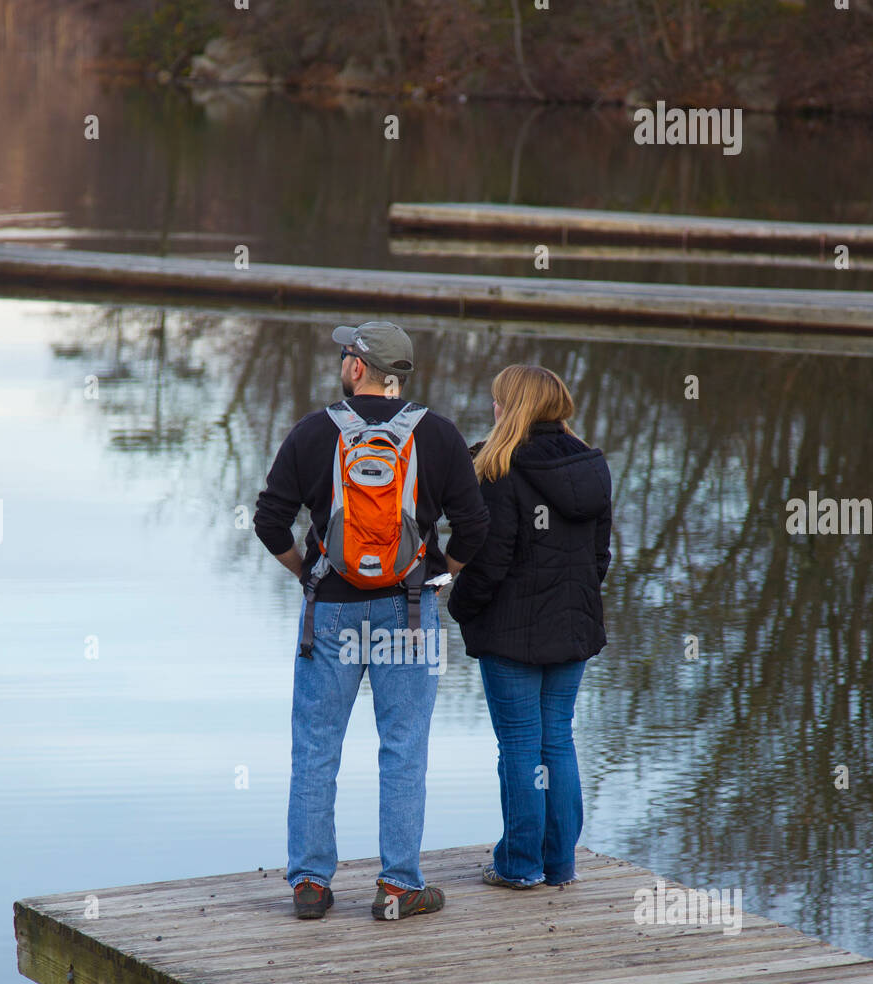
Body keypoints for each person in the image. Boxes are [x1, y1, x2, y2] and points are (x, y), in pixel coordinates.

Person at [254, 321, 490, 920]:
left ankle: (310, 883)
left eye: (344, 355)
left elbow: (269, 519)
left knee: (315, 748)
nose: (340, 363)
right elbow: (476, 525)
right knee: (404, 748)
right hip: (408, 611)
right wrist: (438, 576)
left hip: (328, 611)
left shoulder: (313, 432)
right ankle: (398, 886)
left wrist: (307, 574)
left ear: (357, 368)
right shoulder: (436, 435)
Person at [447, 364, 612, 889]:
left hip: (511, 635)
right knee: (557, 740)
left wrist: (461, 608)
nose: (493, 408)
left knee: (520, 745)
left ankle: (519, 865)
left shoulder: (499, 469)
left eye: (498, 400)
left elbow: (489, 562)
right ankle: (558, 864)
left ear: (512, 407)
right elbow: (599, 556)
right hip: (572, 630)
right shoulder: (592, 466)